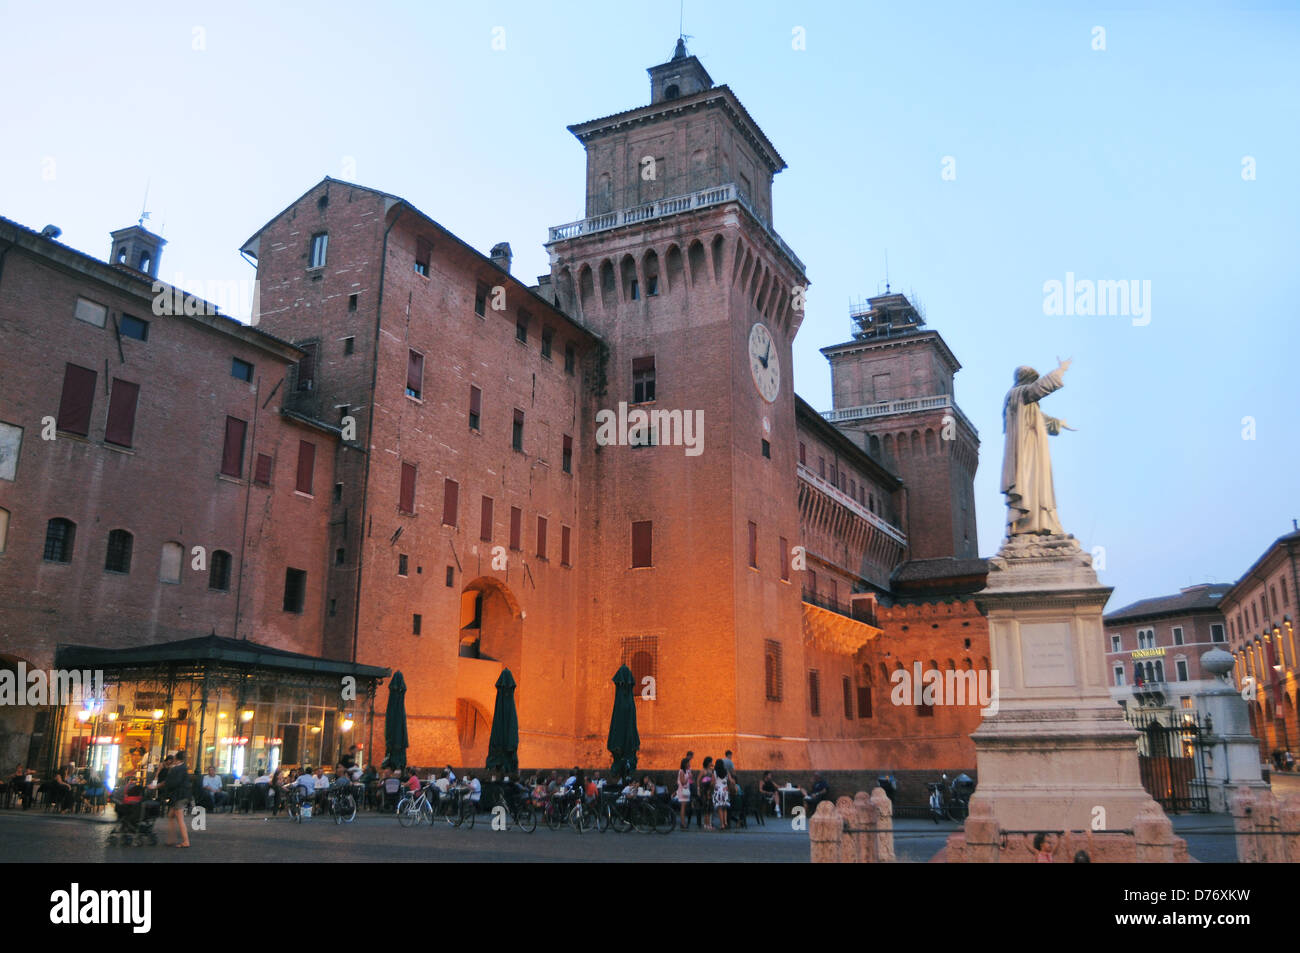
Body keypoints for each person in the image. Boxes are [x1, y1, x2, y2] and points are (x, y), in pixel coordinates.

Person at [163, 751, 191, 848]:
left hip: (179, 796)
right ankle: (172, 838)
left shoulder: (177, 769)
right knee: (171, 815)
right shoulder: (183, 767)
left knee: (179, 818)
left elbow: (173, 783)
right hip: (182, 795)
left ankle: (185, 841)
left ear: (176, 759)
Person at [713, 758, 732, 830]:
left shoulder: (715, 772)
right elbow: (731, 781)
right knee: (725, 807)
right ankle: (725, 822)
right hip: (725, 790)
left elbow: (713, 782)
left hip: (717, 791)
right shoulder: (726, 771)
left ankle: (722, 825)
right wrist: (728, 787)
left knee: (719, 808)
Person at [675, 756, 693, 830]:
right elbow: (683, 782)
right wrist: (688, 777)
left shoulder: (687, 771)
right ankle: (683, 823)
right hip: (682, 792)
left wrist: (690, 776)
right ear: (685, 764)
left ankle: (683, 823)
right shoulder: (681, 771)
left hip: (686, 791)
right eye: (688, 763)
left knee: (684, 808)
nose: (689, 764)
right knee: (683, 808)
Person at [698, 757, 715, 830]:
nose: (712, 763)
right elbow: (698, 780)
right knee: (706, 807)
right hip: (704, 790)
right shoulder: (703, 771)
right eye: (711, 762)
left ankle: (708, 823)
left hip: (710, 790)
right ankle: (706, 824)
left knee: (709, 807)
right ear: (708, 763)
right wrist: (698, 789)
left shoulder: (712, 771)